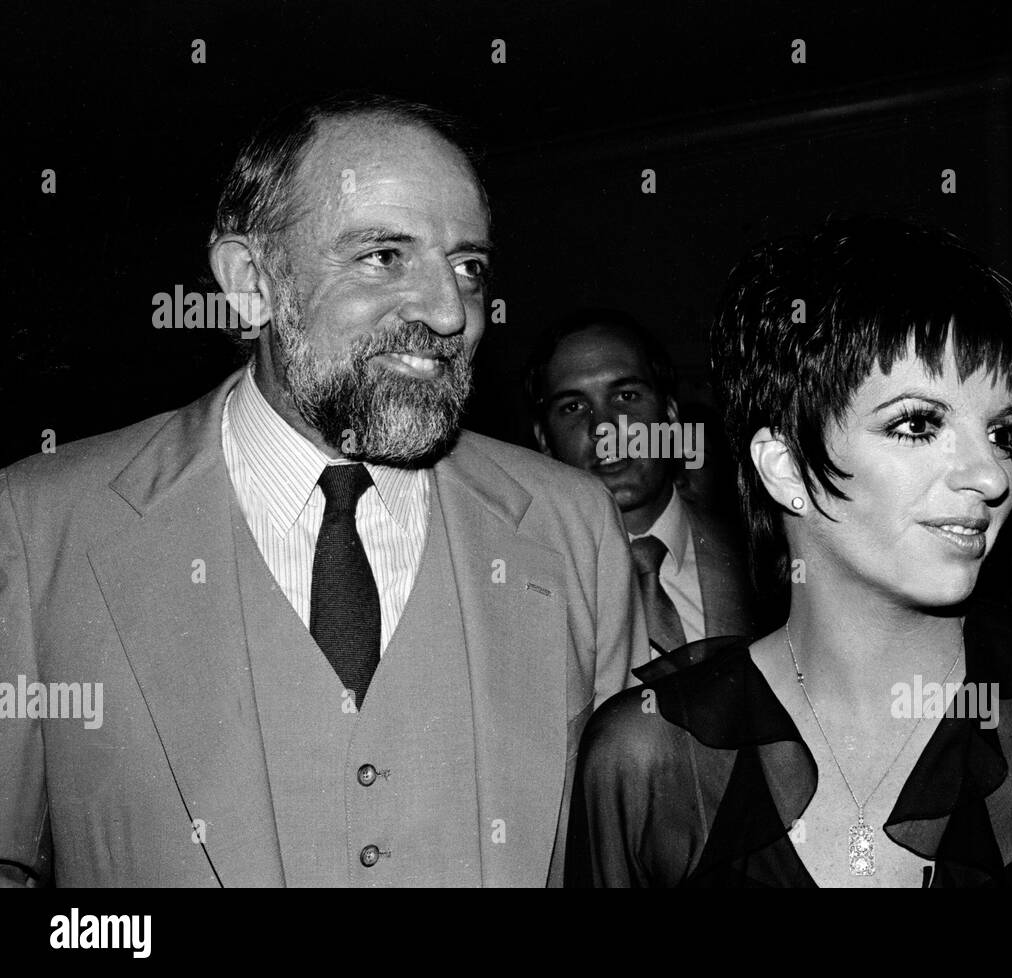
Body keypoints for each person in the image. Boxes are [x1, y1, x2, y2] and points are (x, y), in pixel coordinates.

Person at [0, 93, 646, 888]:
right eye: (384, 256)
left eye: (469, 266)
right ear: (251, 283)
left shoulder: (571, 529)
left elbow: (619, 856)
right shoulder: (40, 526)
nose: (450, 313)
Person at [566, 217, 1012, 887]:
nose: (992, 475)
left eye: (1003, 433)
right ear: (787, 469)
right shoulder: (648, 758)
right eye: (918, 424)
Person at [525, 309, 758, 653]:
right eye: (574, 406)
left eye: (626, 397)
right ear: (544, 439)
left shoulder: (759, 562)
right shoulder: (523, 583)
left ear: (671, 416)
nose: (603, 427)